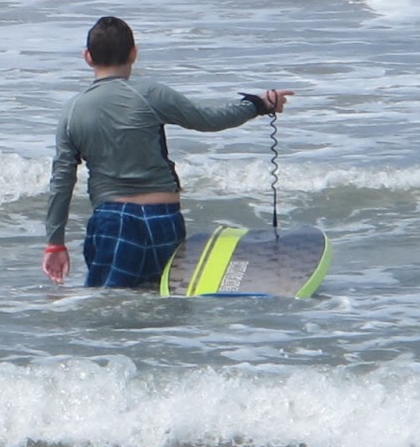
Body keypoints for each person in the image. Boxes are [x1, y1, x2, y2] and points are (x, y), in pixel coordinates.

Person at [44, 15, 292, 288]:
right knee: (164, 312)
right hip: (164, 220)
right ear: (133, 53)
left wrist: (55, 244)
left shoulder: (71, 112)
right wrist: (260, 104)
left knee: (113, 311)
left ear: (87, 57)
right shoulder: (151, 93)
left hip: (113, 224)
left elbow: (62, 180)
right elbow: (208, 119)